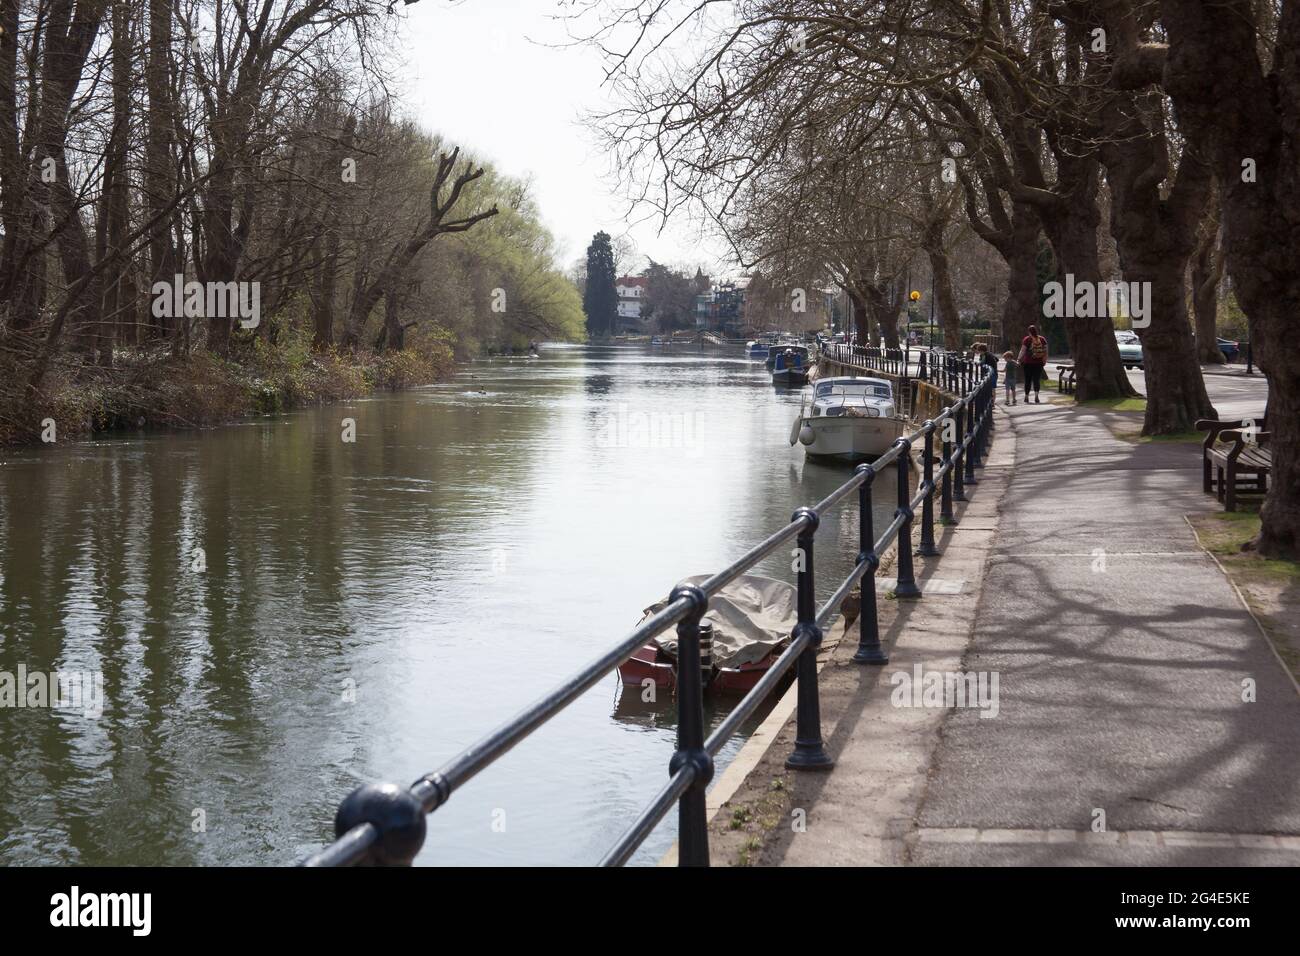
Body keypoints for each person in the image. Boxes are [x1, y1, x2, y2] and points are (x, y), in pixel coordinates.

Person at [1019, 324, 1049, 403]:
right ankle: (1036, 396)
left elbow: (1023, 350)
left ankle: (1026, 396)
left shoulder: (1027, 339)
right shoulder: (1042, 339)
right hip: (1038, 363)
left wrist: (1019, 359)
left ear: (1029, 331)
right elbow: (1046, 351)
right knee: (1036, 380)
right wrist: (1044, 360)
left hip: (1028, 363)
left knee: (1027, 380)